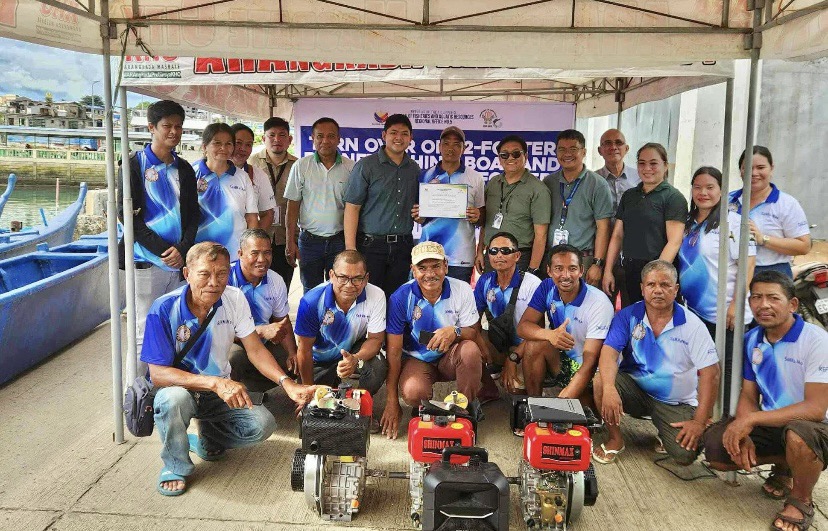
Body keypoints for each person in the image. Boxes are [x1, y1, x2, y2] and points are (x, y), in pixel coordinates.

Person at [141, 242, 316, 496]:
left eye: (221, 273)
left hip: (219, 393)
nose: (214, 282)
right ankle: (175, 463)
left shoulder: (234, 298)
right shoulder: (163, 308)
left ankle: (208, 438)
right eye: (204, 274)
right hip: (182, 388)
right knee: (172, 399)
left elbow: (255, 350)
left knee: (262, 424)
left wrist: (287, 384)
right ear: (187, 274)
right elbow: (158, 373)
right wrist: (214, 383)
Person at [703, 271, 828, 531]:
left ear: (792, 304)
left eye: (773, 298)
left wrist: (751, 419)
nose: (764, 305)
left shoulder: (817, 341)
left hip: (817, 428)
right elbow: (749, 394)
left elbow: (815, 409)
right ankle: (785, 467)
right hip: (774, 423)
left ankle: (801, 499)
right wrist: (744, 431)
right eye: (756, 298)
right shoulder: (752, 340)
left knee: (798, 436)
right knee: (717, 448)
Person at [593, 260, 720, 466]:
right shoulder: (628, 315)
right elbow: (609, 352)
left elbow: (711, 374)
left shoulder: (692, 325)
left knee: (685, 455)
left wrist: (699, 420)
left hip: (675, 402)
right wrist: (608, 387)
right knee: (601, 381)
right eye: (651, 285)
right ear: (642, 289)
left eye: (665, 285)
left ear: (676, 289)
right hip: (636, 390)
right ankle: (616, 439)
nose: (658, 290)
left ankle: (665, 429)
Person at [118, 100, 199, 374]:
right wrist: (166, 250)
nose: (173, 132)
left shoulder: (184, 168)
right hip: (146, 262)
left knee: (174, 325)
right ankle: (137, 395)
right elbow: (127, 215)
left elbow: (192, 215)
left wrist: (182, 248)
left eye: (178, 126)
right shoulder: (134, 164)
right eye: (167, 126)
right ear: (152, 127)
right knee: (143, 328)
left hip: (177, 263)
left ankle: (164, 387)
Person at [382, 241, 486, 439]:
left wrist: (454, 332)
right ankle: (426, 407)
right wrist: (391, 401)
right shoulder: (400, 297)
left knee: (471, 350)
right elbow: (394, 351)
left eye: (436, 266)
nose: (430, 274)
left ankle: (465, 412)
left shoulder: (462, 289)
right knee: (413, 392)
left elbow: (473, 332)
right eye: (422, 268)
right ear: (413, 270)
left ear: (446, 266)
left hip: (451, 356)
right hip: (417, 359)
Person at [677, 166, 756, 410]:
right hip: (697, 313)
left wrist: (735, 304)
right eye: (697, 187)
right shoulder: (687, 222)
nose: (703, 193)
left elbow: (748, 265)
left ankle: (727, 422)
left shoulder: (733, 222)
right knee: (704, 369)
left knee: (729, 373)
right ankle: (706, 418)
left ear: (721, 191)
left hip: (727, 315)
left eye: (710, 187)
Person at [517, 244, 615, 404]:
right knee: (534, 345)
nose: (566, 275)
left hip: (592, 371)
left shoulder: (599, 303)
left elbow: (590, 361)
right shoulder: (547, 286)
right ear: (549, 271)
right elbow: (523, 327)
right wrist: (549, 334)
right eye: (559, 269)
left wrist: (564, 400)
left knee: (582, 418)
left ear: (581, 270)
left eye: (572, 268)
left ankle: (589, 408)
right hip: (565, 361)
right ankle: (534, 406)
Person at [344, 114, 421, 295]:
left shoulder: (414, 169)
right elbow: (352, 207)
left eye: (404, 133)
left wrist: (422, 214)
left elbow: (418, 209)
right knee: (367, 297)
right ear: (383, 135)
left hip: (403, 246)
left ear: (410, 138)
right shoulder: (366, 166)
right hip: (371, 247)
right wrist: (350, 248)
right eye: (393, 132)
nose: (398, 138)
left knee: (396, 299)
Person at [602, 143, 688, 305]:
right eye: (642, 163)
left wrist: (655, 277)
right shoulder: (629, 196)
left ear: (665, 165)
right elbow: (617, 235)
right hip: (629, 270)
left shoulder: (673, 198)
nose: (647, 168)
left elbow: (674, 242)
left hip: (658, 273)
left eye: (653, 163)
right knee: (633, 320)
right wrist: (608, 270)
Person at [294, 250, 388, 397]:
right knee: (319, 401)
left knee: (378, 366)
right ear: (331, 275)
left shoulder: (376, 295)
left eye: (357, 279)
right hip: (319, 360)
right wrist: (308, 390)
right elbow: (304, 350)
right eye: (343, 278)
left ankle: (359, 404)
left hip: (352, 351)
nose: (349, 285)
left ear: (366, 278)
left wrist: (355, 359)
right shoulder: (311, 301)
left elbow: (376, 339)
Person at [284, 117, 355, 292]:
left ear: (339, 139)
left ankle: (333, 320)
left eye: (331, 136)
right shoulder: (301, 166)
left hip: (339, 241)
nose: (325, 141)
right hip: (309, 242)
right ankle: (313, 321)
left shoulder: (351, 168)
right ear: (313, 138)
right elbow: (292, 207)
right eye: (320, 136)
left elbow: (354, 209)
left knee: (338, 289)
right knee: (311, 290)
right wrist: (289, 241)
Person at [226, 229, 297, 391]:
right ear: (240, 254)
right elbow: (218, 330)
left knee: (292, 365)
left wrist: (293, 353)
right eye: (255, 253)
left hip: (263, 342)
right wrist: (260, 331)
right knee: (233, 359)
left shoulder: (275, 280)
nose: (262, 260)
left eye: (267, 253)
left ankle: (253, 386)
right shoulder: (225, 279)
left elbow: (282, 321)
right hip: (232, 342)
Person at [472, 231, 542, 393]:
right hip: (498, 343)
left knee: (515, 389)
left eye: (506, 251)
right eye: (494, 251)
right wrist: (481, 348)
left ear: (517, 256)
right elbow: (473, 319)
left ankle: (526, 377)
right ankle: (488, 387)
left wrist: (513, 359)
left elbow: (539, 334)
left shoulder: (532, 284)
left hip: (523, 349)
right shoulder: (485, 280)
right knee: (468, 340)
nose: (499, 255)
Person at [412, 126, 485, 282]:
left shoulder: (475, 178)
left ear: (464, 148)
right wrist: (418, 216)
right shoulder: (424, 175)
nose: (451, 148)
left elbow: (483, 218)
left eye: (457, 144)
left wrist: (477, 216)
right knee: (426, 302)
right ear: (439, 147)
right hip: (429, 252)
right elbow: (420, 215)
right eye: (446, 143)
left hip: (461, 254)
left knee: (457, 302)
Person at [542, 129, 613, 286]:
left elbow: (604, 228)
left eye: (573, 149)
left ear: (584, 152)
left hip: (583, 260)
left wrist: (598, 263)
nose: (567, 154)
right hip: (553, 259)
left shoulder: (598, 184)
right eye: (562, 149)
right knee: (553, 307)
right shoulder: (548, 182)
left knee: (581, 308)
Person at [729, 146, 811, 277]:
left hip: (772, 274)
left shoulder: (786, 204)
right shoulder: (727, 200)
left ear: (771, 168)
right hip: (732, 272)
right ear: (741, 171)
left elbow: (804, 246)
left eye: (760, 168)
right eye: (748, 168)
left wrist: (763, 239)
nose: (754, 173)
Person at [477, 134, 551, 277]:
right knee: (490, 298)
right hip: (491, 256)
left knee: (517, 299)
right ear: (499, 158)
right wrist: (480, 251)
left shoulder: (538, 189)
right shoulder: (493, 183)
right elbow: (486, 223)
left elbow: (541, 235)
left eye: (516, 154)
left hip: (519, 258)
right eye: (504, 155)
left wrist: (532, 270)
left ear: (526, 156)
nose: (510, 158)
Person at [193, 123, 257, 258]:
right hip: (199, 254)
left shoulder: (242, 177)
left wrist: (249, 248)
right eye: (217, 143)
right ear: (205, 147)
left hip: (234, 253)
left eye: (228, 144)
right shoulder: (191, 173)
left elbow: (251, 217)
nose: (223, 148)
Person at [248, 117, 298, 287]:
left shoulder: (297, 165)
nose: (277, 140)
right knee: (256, 284)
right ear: (263, 138)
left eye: (282, 135)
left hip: (286, 237)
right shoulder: (251, 163)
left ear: (289, 139)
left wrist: (295, 240)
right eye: (272, 135)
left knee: (283, 285)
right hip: (260, 233)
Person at [596, 128, 640, 306]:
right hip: (602, 256)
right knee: (602, 308)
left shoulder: (641, 177)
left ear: (627, 148)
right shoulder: (592, 180)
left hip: (633, 254)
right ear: (600, 150)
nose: (613, 147)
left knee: (634, 308)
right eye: (607, 143)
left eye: (618, 143)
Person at [230, 123, 276, 230]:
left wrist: (253, 240)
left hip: (243, 242)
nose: (243, 149)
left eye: (248, 145)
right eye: (238, 143)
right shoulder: (211, 172)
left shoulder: (258, 175)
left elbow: (268, 214)